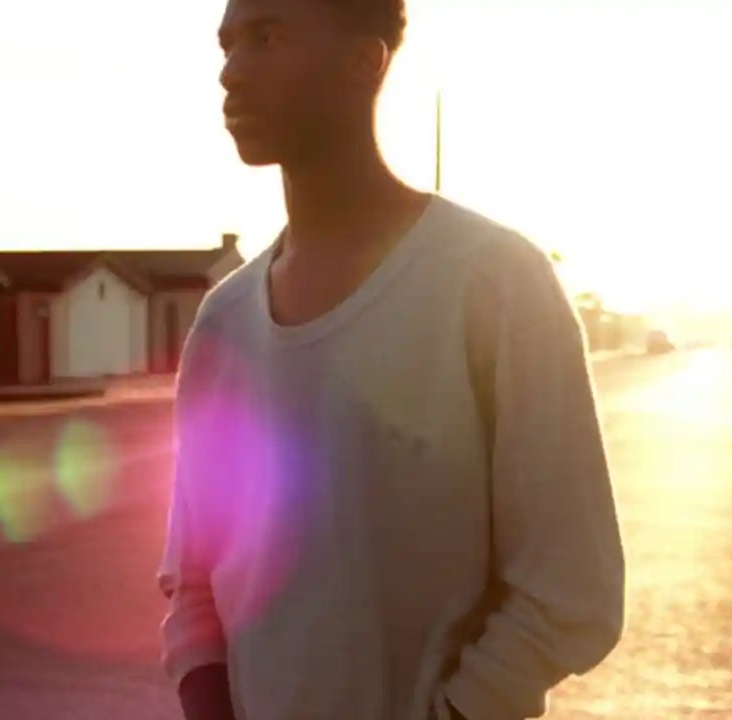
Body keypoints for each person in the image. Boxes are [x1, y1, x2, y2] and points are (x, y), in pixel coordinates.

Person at [157, 0, 626, 718]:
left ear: (362, 61)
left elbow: (572, 591)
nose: (231, 72)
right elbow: (193, 586)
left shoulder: (493, 284)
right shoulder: (224, 323)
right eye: (226, 45)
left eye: (266, 36)